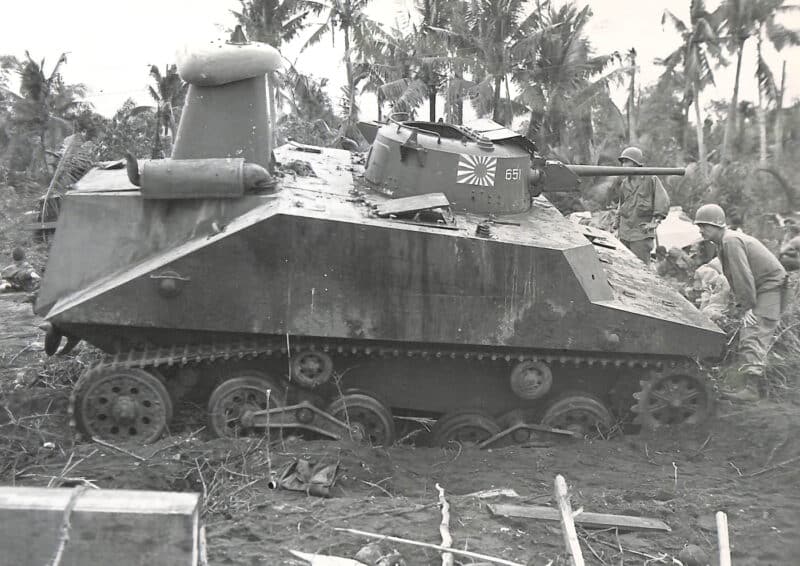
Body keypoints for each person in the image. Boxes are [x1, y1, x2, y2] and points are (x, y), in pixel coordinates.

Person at [694, 204, 787, 402]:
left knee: (753, 331)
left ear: (718, 225)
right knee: (752, 331)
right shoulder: (723, 242)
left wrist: (748, 307)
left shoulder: (730, 242)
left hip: (769, 288)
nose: (701, 230)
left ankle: (752, 390)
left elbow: (742, 276)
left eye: (705, 226)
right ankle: (753, 385)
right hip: (764, 287)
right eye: (699, 226)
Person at [611, 146, 670, 264]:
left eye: (627, 161)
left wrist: (655, 222)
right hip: (625, 233)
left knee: (641, 269)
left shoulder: (650, 179)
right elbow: (621, 205)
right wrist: (615, 225)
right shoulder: (624, 184)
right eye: (622, 162)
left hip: (641, 235)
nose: (623, 165)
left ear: (636, 163)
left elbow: (662, 200)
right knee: (625, 267)